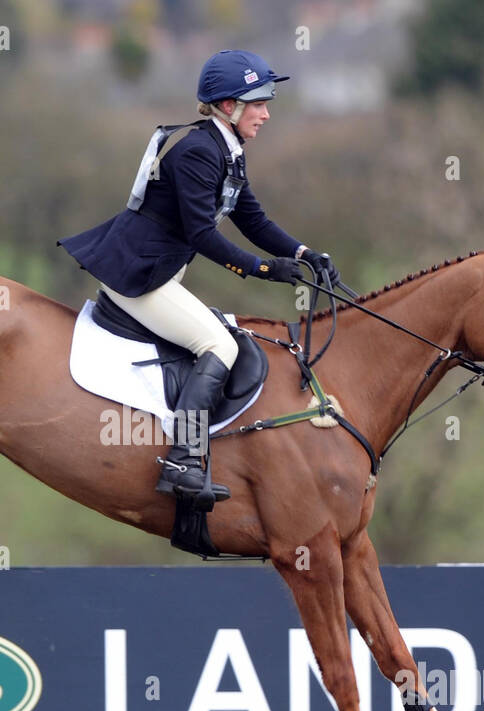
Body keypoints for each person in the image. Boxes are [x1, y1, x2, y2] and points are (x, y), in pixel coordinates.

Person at [59, 49, 339, 503]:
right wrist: (265, 269)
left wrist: (305, 253)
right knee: (220, 345)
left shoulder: (227, 150)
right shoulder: (197, 152)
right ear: (229, 106)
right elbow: (203, 235)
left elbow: (254, 221)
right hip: (139, 274)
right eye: (259, 103)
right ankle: (182, 460)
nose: (267, 114)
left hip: (158, 273)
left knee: (221, 335)